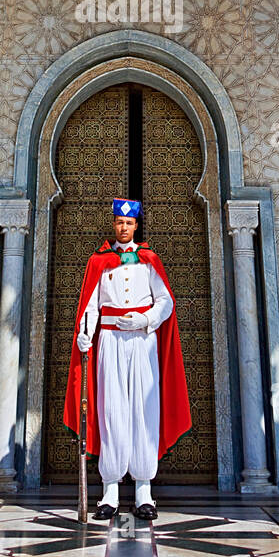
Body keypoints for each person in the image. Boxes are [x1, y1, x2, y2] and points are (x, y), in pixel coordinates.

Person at [63, 197, 191, 521]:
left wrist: (146, 319)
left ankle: (144, 491)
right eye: (119, 223)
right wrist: (84, 332)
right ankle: (110, 492)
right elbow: (90, 304)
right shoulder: (99, 261)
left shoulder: (149, 259)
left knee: (143, 410)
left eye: (129, 223)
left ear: (136, 225)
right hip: (109, 340)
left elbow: (166, 302)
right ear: (114, 224)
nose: (123, 227)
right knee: (112, 410)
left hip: (143, 341)